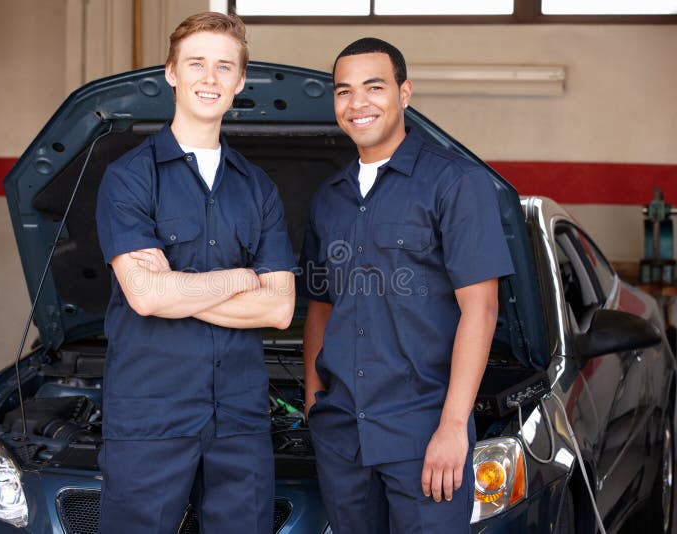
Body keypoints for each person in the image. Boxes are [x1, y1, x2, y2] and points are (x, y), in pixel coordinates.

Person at [299, 37, 514, 533]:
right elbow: (321, 307)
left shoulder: (455, 183)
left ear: (404, 92)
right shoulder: (328, 199)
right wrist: (314, 403)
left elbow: (481, 309)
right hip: (342, 435)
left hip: (424, 432)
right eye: (344, 91)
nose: (358, 103)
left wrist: (453, 426)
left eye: (374, 87)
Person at [94, 12, 296, 533]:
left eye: (224, 66)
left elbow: (280, 307)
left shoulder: (258, 187)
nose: (210, 78)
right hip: (150, 416)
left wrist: (176, 290)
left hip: (240, 418)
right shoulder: (129, 178)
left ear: (240, 81)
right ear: (171, 72)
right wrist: (241, 278)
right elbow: (145, 297)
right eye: (196, 63)